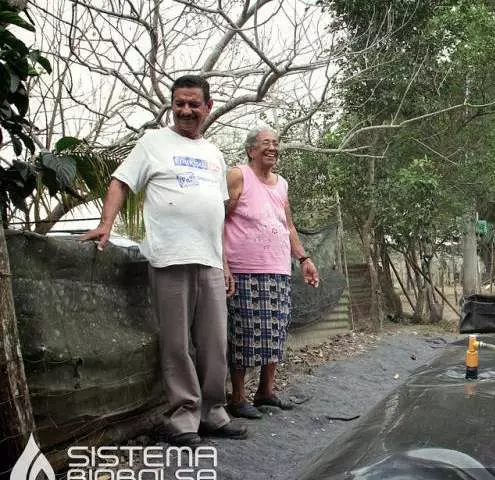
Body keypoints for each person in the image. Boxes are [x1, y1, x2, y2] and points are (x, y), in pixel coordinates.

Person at [82, 75, 247, 446]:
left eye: (193, 104)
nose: (185, 110)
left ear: (208, 107)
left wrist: (226, 263)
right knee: (175, 345)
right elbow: (119, 182)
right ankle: (184, 419)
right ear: (172, 105)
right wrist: (105, 224)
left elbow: (216, 214)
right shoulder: (153, 142)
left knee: (215, 343)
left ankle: (214, 414)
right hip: (169, 258)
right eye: (179, 103)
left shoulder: (215, 154)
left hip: (210, 262)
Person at [223, 127, 319, 418]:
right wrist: (223, 263)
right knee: (243, 334)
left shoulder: (282, 184)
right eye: (266, 143)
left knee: (276, 331)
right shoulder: (238, 175)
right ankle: (238, 399)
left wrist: (304, 258)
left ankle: (265, 392)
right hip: (244, 269)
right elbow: (218, 216)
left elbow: (288, 225)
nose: (273, 148)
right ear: (251, 149)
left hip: (278, 270)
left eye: (276, 143)